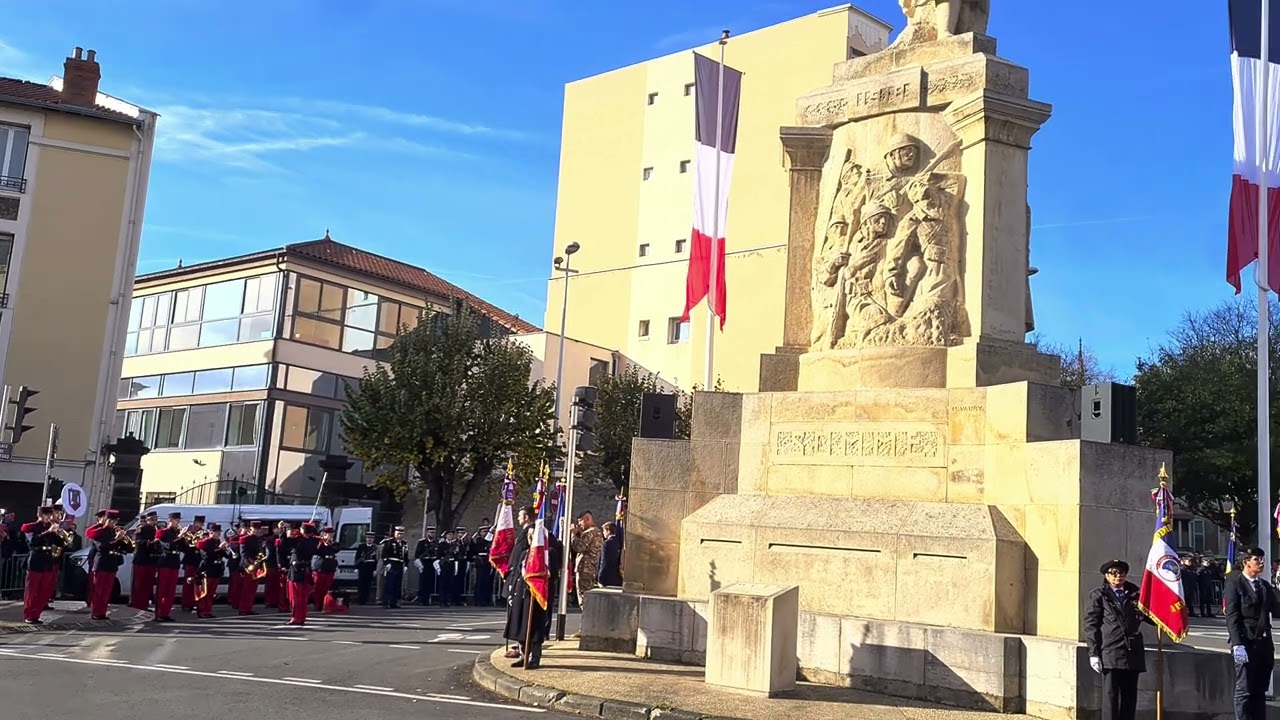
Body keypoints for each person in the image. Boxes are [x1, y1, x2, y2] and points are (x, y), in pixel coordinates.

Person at [1084, 559, 1150, 720]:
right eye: (1114, 573)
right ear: (1106, 576)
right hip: (1111, 649)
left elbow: (1151, 617)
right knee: (1111, 695)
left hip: (1133, 650)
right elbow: (1091, 625)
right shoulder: (1099, 595)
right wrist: (1093, 652)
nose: (1118, 576)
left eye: (1121, 573)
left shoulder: (1136, 595)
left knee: (1130, 695)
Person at [1225, 546, 1280, 720]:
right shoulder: (1235, 583)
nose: (1261, 562)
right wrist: (1237, 644)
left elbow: (1277, 610)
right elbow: (1232, 615)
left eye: (1262, 559)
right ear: (1246, 562)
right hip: (1245, 641)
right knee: (1244, 689)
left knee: (1260, 688)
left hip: (1263, 644)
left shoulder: (1264, 586)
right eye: (1257, 559)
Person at [503, 526, 548, 669]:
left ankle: (534, 658)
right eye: (528, 536)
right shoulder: (524, 554)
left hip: (534, 595)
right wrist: (512, 592)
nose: (530, 538)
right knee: (520, 626)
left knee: (534, 628)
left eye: (533, 536)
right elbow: (517, 573)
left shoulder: (543, 555)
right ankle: (523, 656)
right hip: (520, 593)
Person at [85, 510, 133, 620]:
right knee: (99, 590)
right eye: (112, 521)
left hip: (112, 563)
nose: (114, 523)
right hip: (102, 562)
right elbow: (102, 547)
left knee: (107, 590)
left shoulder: (114, 531)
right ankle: (95, 612)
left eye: (115, 521)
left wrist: (125, 540)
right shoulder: (99, 532)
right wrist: (117, 539)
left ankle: (102, 612)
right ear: (106, 520)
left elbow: (129, 549)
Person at [20, 505, 65, 623]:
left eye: (50, 515)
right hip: (35, 559)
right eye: (46, 515)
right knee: (32, 590)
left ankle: (36, 614)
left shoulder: (51, 528)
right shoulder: (31, 527)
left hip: (48, 560)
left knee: (43, 590)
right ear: (40, 515)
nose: (49, 517)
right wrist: (48, 532)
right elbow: (33, 541)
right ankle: (29, 615)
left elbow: (61, 543)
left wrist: (58, 533)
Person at [286, 522, 321, 626]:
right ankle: (301, 617)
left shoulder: (300, 541)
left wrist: (286, 532)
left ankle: (296, 618)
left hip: (297, 570)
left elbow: (286, 543)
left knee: (295, 597)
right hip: (305, 570)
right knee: (302, 597)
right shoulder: (313, 541)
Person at [152, 512, 184, 622]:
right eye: (176, 520)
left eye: (179, 520)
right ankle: (159, 613)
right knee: (162, 589)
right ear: (170, 521)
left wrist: (184, 538)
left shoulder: (177, 533)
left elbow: (185, 548)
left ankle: (166, 612)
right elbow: (167, 545)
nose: (178, 523)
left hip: (175, 562)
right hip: (165, 561)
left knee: (171, 590)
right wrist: (179, 537)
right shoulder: (162, 532)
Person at [195, 524, 228, 619]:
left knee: (211, 592)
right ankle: (202, 610)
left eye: (219, 532)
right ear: (210, 532)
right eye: (216, 532)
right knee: (205, 591)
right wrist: (219, 549)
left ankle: (208, 610)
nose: (218, 534)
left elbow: (226, 556)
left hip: (216, 569)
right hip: (207, 569)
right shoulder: (204, 542)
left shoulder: (218, 541)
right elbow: (207, 555)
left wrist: (227, 550)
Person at [130, 511, 159, 610]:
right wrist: (149, 542)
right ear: (147, 520)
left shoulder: (157, 530)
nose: (154, 521)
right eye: (151, 519)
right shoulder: (141, 529)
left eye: (155, 519)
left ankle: (145, 604)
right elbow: (137, 541)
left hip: (152, 560)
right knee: (139, 583)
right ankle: (137, 604)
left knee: (148, 584)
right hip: (141, 559)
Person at [236, 520, 264, 615]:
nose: (256, 531)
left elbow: (260, 552)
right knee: (247, 589)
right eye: (254, 529)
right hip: (248, 566)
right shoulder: (245, 539)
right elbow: (244, 554)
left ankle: (248, 607)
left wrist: (260, 560)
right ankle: (243, 608)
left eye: (258, 529)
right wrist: (250, 564)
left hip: (256, 565)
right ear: (250, 530)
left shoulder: (258, 539)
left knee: (252, 588)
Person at [179, 515, 206, 612]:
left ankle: (194, 603)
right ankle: (186, 604)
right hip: (190, 560)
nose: (198, 525)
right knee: (188, 583)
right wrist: (186, 538)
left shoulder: (204, 533)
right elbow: (183, 548)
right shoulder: (189, 532)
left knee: (198, 584)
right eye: (197, 523)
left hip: (199, 561)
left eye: (200, 523)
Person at [380, 526, 408, 608]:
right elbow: (384, 554)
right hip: (392, 564)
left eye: (401, 534)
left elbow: (405, 555)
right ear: (395, 533)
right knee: (389, 583)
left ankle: (394, 602)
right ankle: (386, 601)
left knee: (397, 584)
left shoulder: (404, 543)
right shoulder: (389, 542)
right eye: (398, 533)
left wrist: (406, 565)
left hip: (400, 564)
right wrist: (387, 563)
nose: (400, 535)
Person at [312, 526, 339, 610]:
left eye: (332, 534)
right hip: (320, 566)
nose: (331, 535)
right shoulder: (318, 543)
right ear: (323, 534)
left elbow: (337, 549)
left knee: (326, 587)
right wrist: (322, 542)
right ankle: (317, 604)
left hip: (329, 567)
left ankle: (324, 603)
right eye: (329, 534)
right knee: (318, 587)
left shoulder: (334, 543)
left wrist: (329, 544)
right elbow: (316, 551)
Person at [355, 532, 378, 605]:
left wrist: (375, 569)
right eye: (368, 538)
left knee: (368, 584)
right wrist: (356, 567)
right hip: (362, 567)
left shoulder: (375, 547)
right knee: (361, 583)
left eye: (371, 538)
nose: (369, 539)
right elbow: (357, 557)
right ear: (366, 539)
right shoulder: (361, 546)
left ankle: (366, 599)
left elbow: (376, 560)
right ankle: (360, 599)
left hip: (370, 567)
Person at [598, 521, 623, 588]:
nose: (603, 533)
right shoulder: (619, 542)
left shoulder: (606, 544)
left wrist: (600, 577)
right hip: (618, 578)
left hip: (607, 577)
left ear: (608, 531)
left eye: (604, 531)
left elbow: (604, 561)